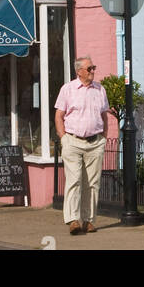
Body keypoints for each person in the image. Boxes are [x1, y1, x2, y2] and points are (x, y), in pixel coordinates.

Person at [54, 57, 110, 235]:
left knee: (92, 183)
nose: (93, 71)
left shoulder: (100, 89)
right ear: (79, 71)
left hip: (95, 142)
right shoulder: (68, 89)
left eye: (93, 68)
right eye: (89, 68)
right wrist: (63, 137)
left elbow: (104, 115)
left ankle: (89, 220)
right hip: (73, 141)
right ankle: (72, 220)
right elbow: (59, 115)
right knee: (74, 180)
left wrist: (103, 137)